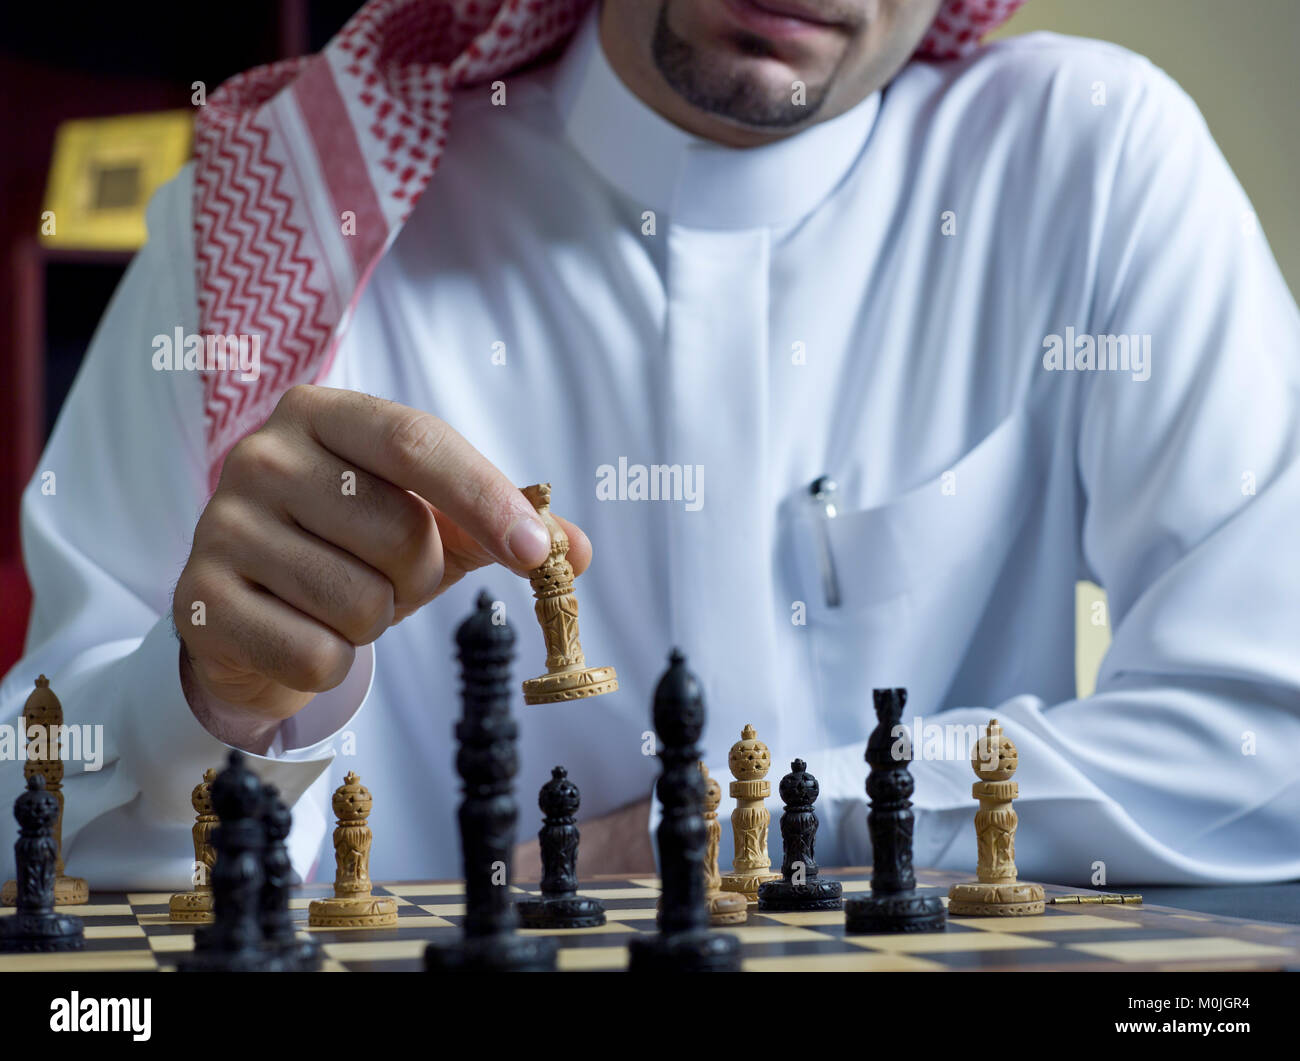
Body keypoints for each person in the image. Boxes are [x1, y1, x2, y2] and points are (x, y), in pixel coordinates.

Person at [3, 0, 1298, 890]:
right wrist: (209, 701)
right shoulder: (280, 205)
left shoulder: (1090, 165)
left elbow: (1269, 746)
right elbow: (30, 808)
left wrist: (733, 825)